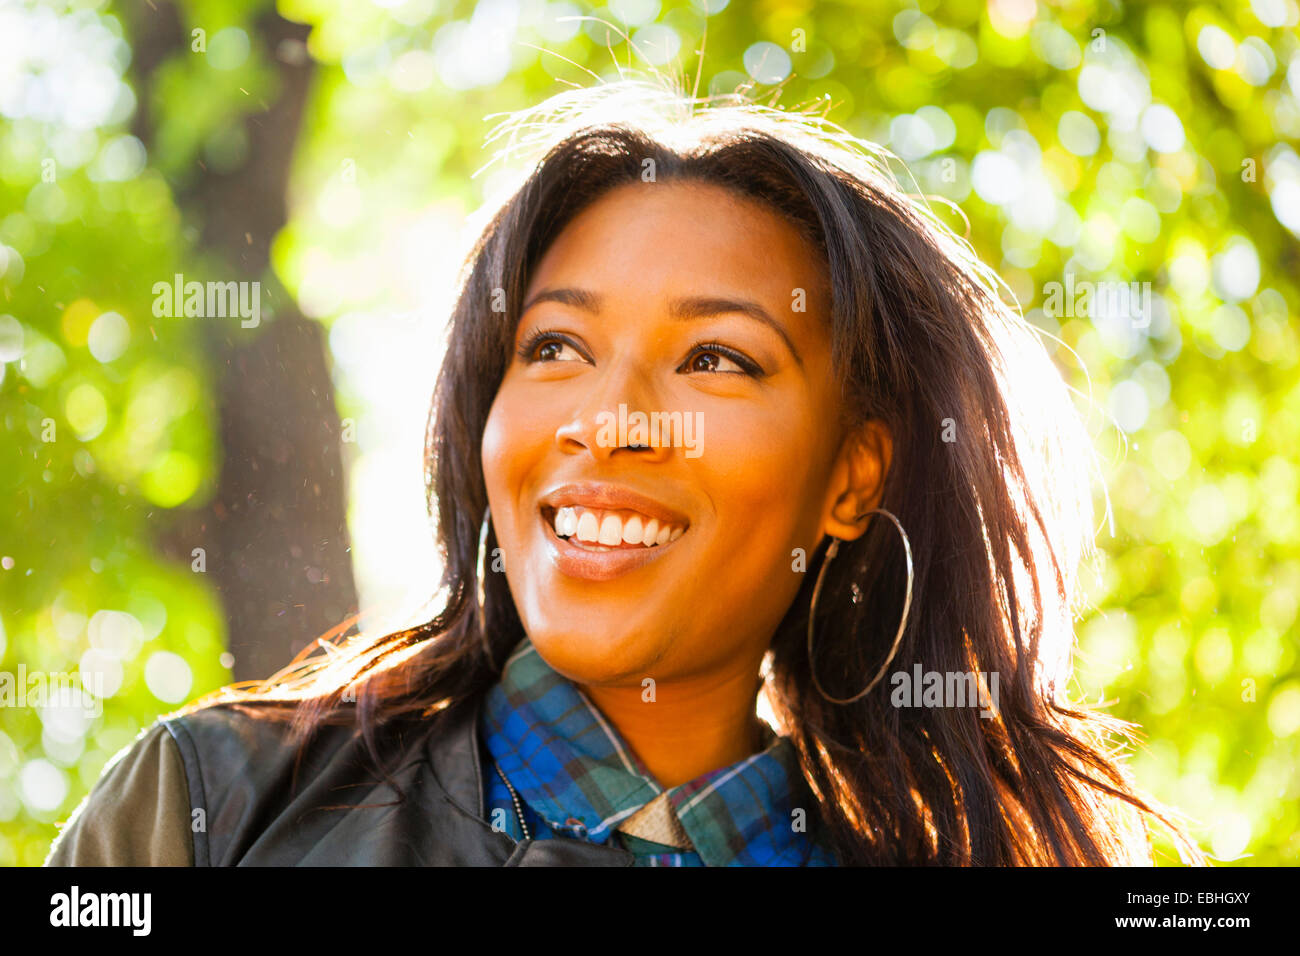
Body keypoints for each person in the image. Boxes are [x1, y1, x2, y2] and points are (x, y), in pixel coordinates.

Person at [45, 76, 1204, 867]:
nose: (611, 421)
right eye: (555, 346)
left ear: (853, 476)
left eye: (715, 357)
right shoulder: (208, 812)